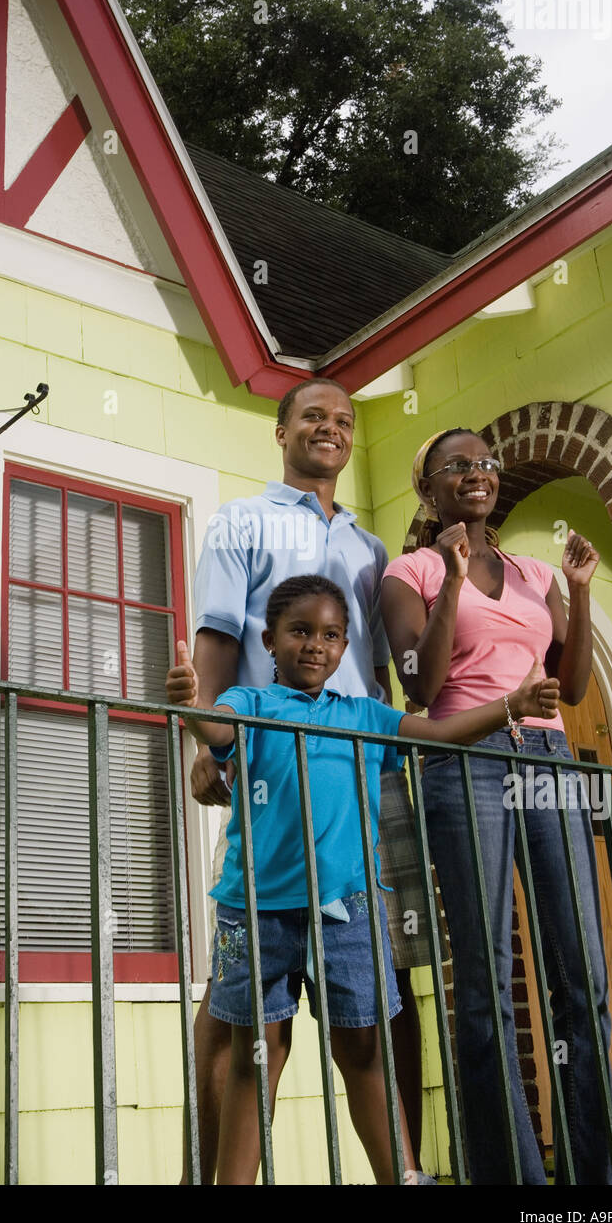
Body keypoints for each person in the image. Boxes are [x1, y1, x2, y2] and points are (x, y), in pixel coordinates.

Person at [166, 572, 560, 1185]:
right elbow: (216, 733)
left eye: (331, 635)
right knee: (255, 1053)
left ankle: (399, 1175)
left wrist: (513, 706)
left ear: (345, 647)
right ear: (270, 640)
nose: (315, 645)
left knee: (364, 1049)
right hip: (254, 912)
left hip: (349, 911)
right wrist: (190, 706)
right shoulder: (250, 704)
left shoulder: (365, 717)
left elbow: (439, 731)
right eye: (299, 632)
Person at [184, 378, 425, 1182]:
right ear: (281, 429)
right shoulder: (241, 521)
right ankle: (213, 1175)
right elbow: (216, 637)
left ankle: (407, 1171)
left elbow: (382, 672)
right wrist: (207, 746)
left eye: (344, 420)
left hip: (362, 770)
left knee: (383, 984)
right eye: (313, 416)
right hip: (274, 778)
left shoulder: (368, 547)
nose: (330, 428)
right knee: (245, 1005)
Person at [381, 427, 612, 1185]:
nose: (478, 473)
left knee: (581, 970)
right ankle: (510, 1177)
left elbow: (577, 685)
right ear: (429, 489)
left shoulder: (531, 572)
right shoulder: (409, 572)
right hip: (465, 762)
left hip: (547, 757)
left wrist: (580, 592)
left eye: (486, 461)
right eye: (458, 465)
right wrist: (453, 582)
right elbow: (420, 684)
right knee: (486, 976)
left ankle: (598, 1182)